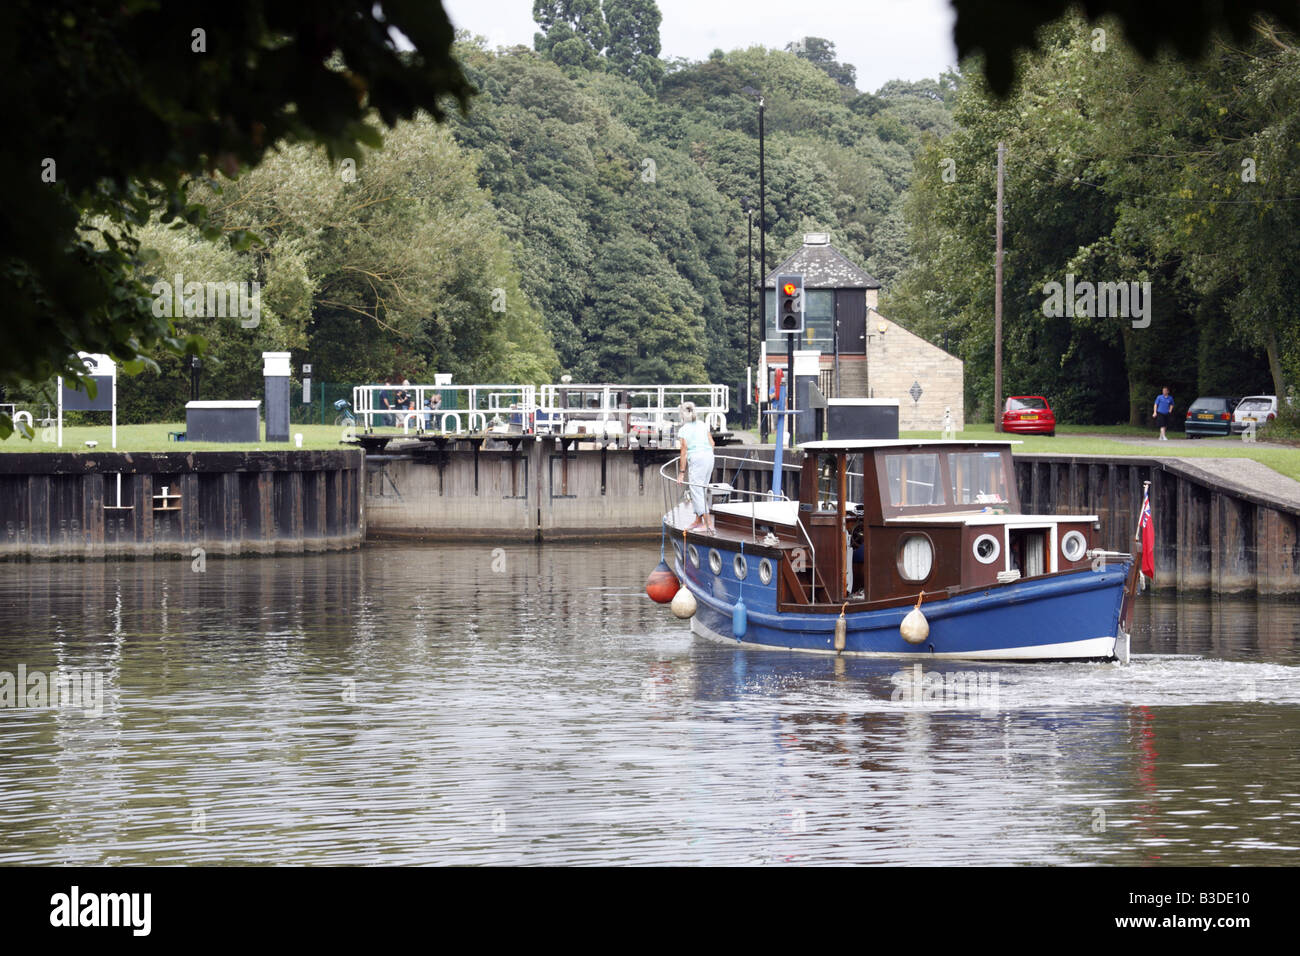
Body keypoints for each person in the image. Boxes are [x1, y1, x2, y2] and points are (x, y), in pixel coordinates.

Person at [677, 401, 716, 533]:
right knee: (701, 490)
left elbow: (683, 450)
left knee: (696, 491)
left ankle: (708, 523)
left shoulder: (683, 430)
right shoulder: (702, 425)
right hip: (709, 457)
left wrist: (682, 472)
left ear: (682, 415)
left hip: (697, 458)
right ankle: (698, 520)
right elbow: (712, 443)